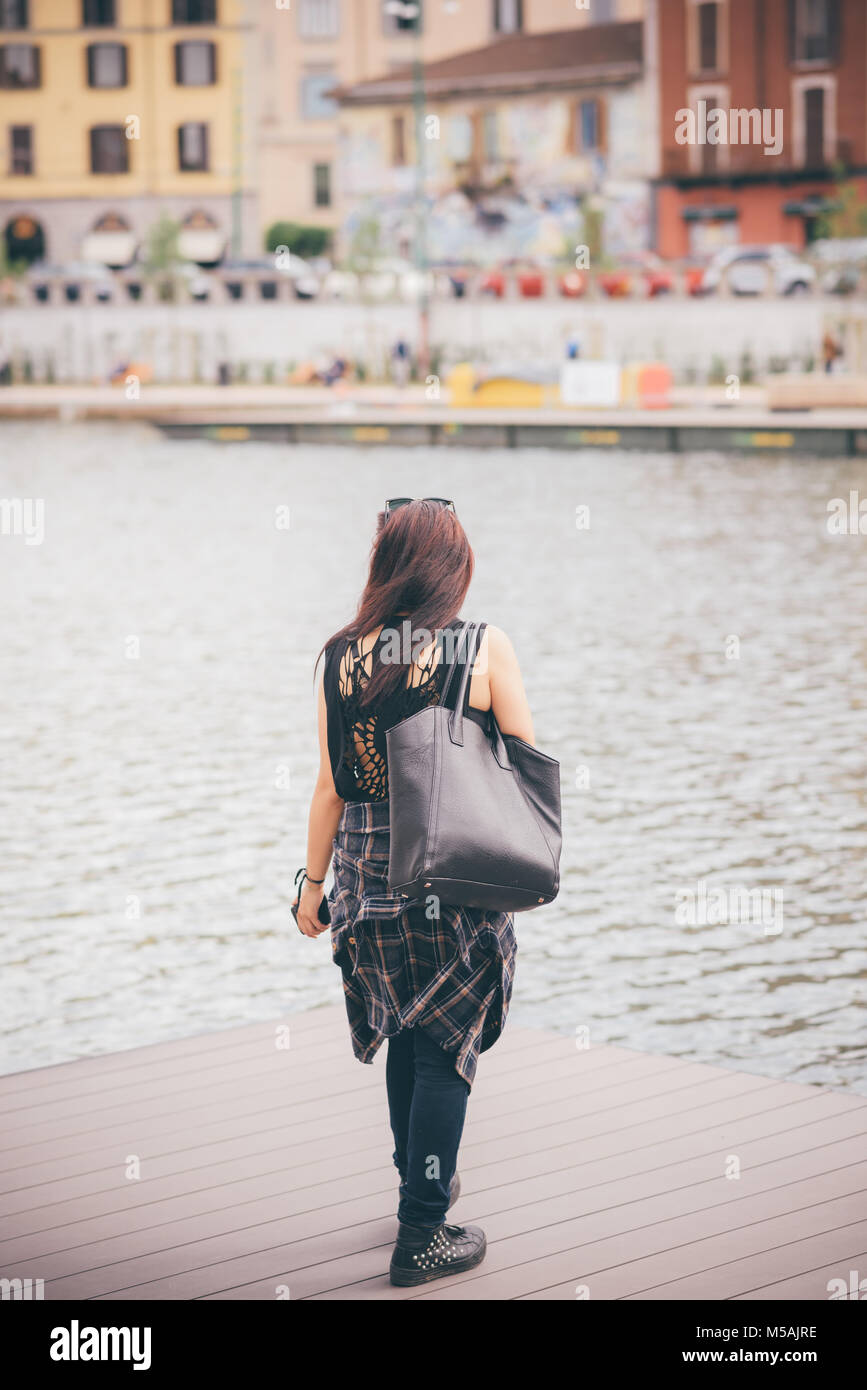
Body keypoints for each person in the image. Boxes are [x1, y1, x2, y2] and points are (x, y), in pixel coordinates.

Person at [293, 498, 535, 1287]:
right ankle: (421, 1234)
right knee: (443, 1048)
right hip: (455, 881)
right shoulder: (480, 646)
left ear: (383, 566)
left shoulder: (339, 656)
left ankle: (417, 1182)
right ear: (450, 568)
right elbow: (523, 765)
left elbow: (331, 785)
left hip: (365, 883)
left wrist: (310, 887)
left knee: (407, 1028)